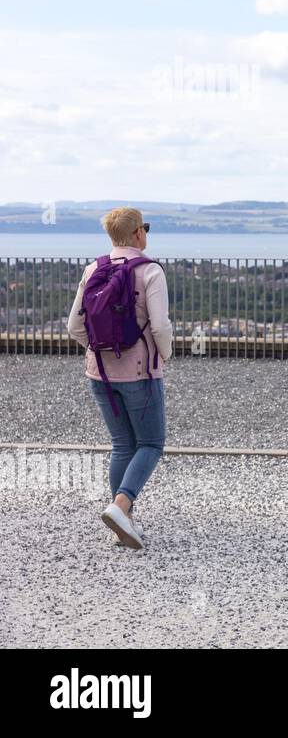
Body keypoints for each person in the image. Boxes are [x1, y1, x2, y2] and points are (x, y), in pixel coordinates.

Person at [67, 207, 173, 549]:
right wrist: (164, 354)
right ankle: (121, 505)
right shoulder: (150, 271)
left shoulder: (93, 269)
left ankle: (123, 521)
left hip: (99, 375)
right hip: (141, 374)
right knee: (151, 443)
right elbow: (159, 325)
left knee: (123, 445)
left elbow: (74, 327)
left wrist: (100, 352)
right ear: (139, 233)